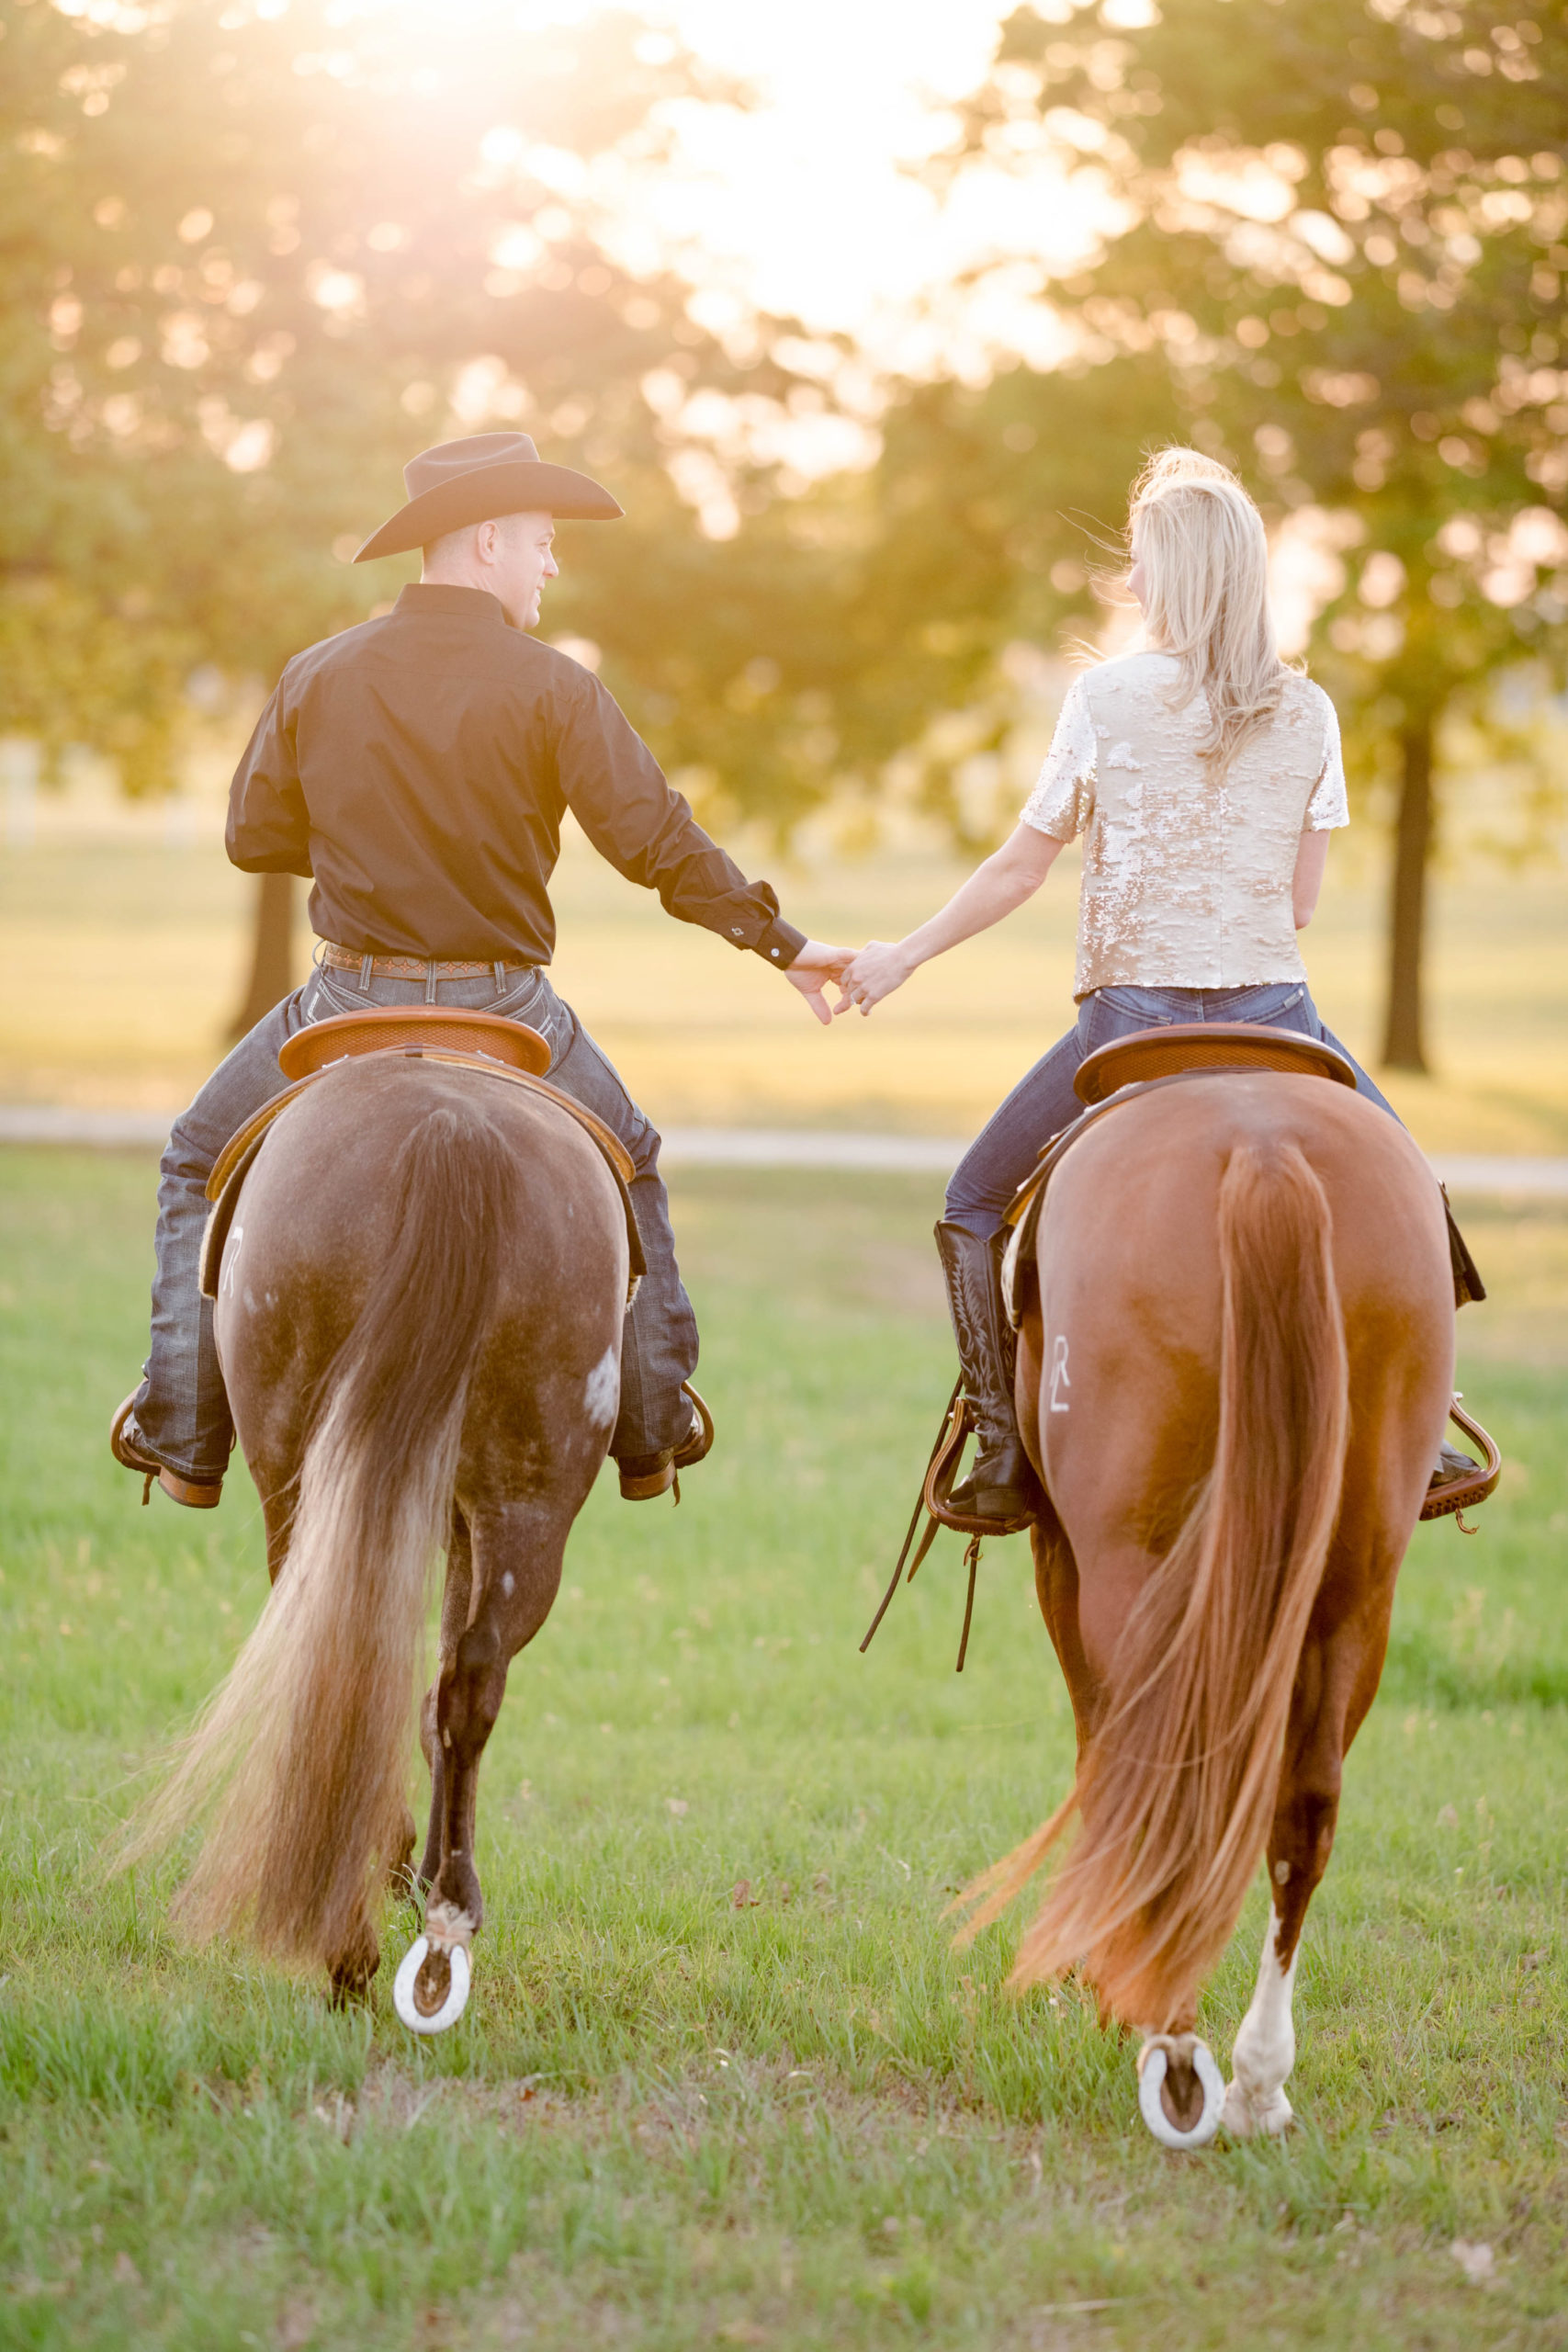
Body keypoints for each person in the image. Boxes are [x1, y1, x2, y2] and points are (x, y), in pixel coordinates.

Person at [113, 430, 849, 1510]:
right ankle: (650, 1423)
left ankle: (181, 1428)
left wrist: (374, 833)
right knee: (631, 1160)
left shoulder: (319, 671)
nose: (553, 566)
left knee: (192, 1160)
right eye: (546, 545)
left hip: (345, 996)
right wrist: (782, 943)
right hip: (508, 1007)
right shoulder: (557, 688)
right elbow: (656, 841)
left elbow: (250, 834)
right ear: (489, 540)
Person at [837, 447, 1483, 1528]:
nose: (1126, 585)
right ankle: (1428, 1433)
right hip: (1280, 1017)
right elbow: (1303, 904)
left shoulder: (1103, 699)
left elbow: (1019, 868)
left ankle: (1000, 1449)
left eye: (1138, 565)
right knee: (1417, 1199)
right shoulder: (1310, 709)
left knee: (971, 1203)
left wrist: (901, 955)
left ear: (1172, 577)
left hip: (1126, 1024)